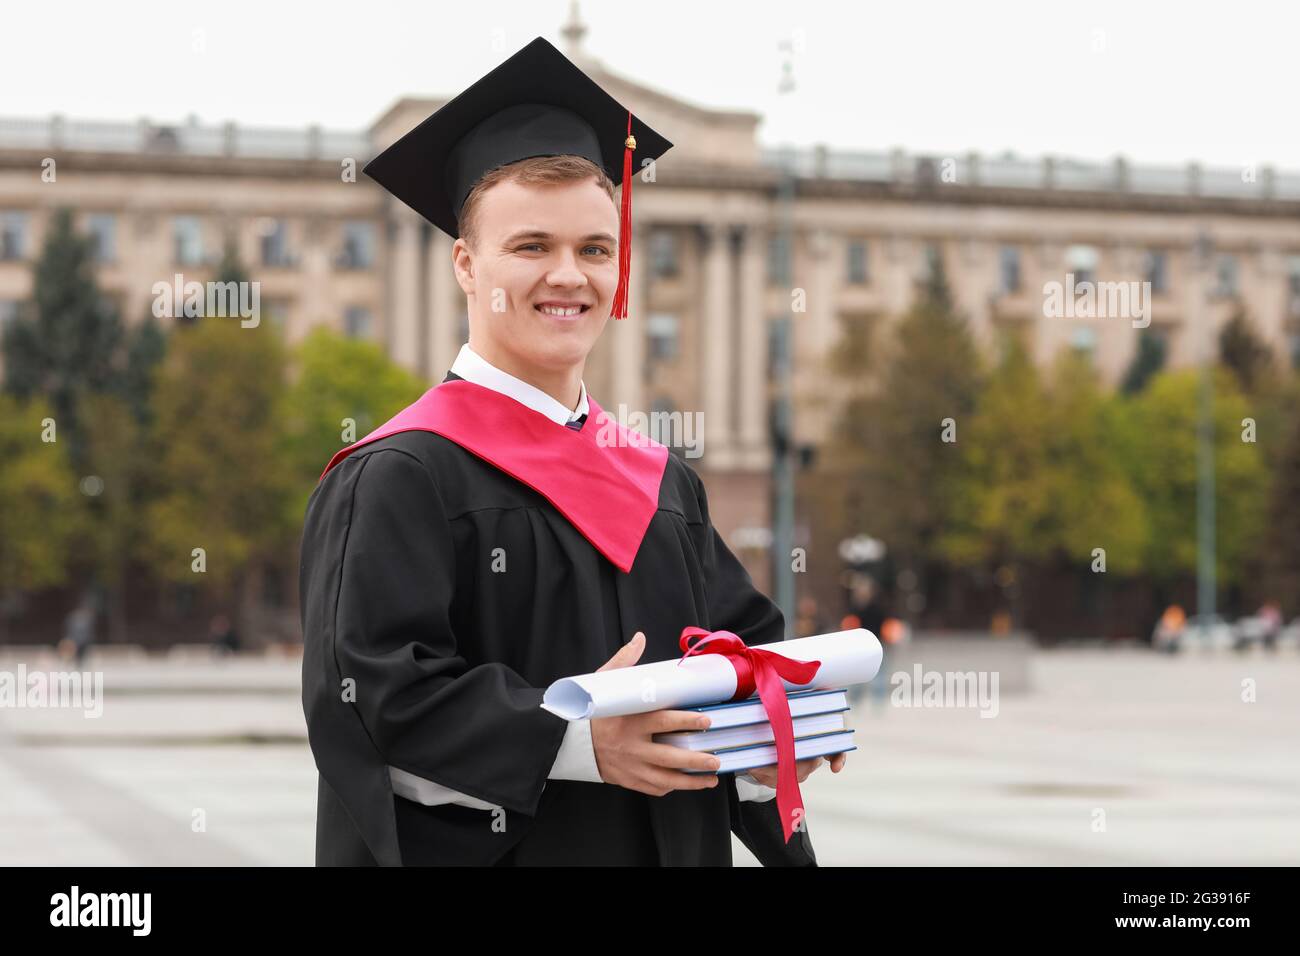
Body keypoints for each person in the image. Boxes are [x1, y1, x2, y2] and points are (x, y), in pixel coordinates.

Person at [299, 37, 843, 867]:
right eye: (531, 247)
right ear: (465, 264)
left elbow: (748, 660)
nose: (570, 275)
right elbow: (372, 707)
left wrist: (778, 745)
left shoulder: (666, 486)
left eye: (595, 249)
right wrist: (578, 743)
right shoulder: (401, 475)